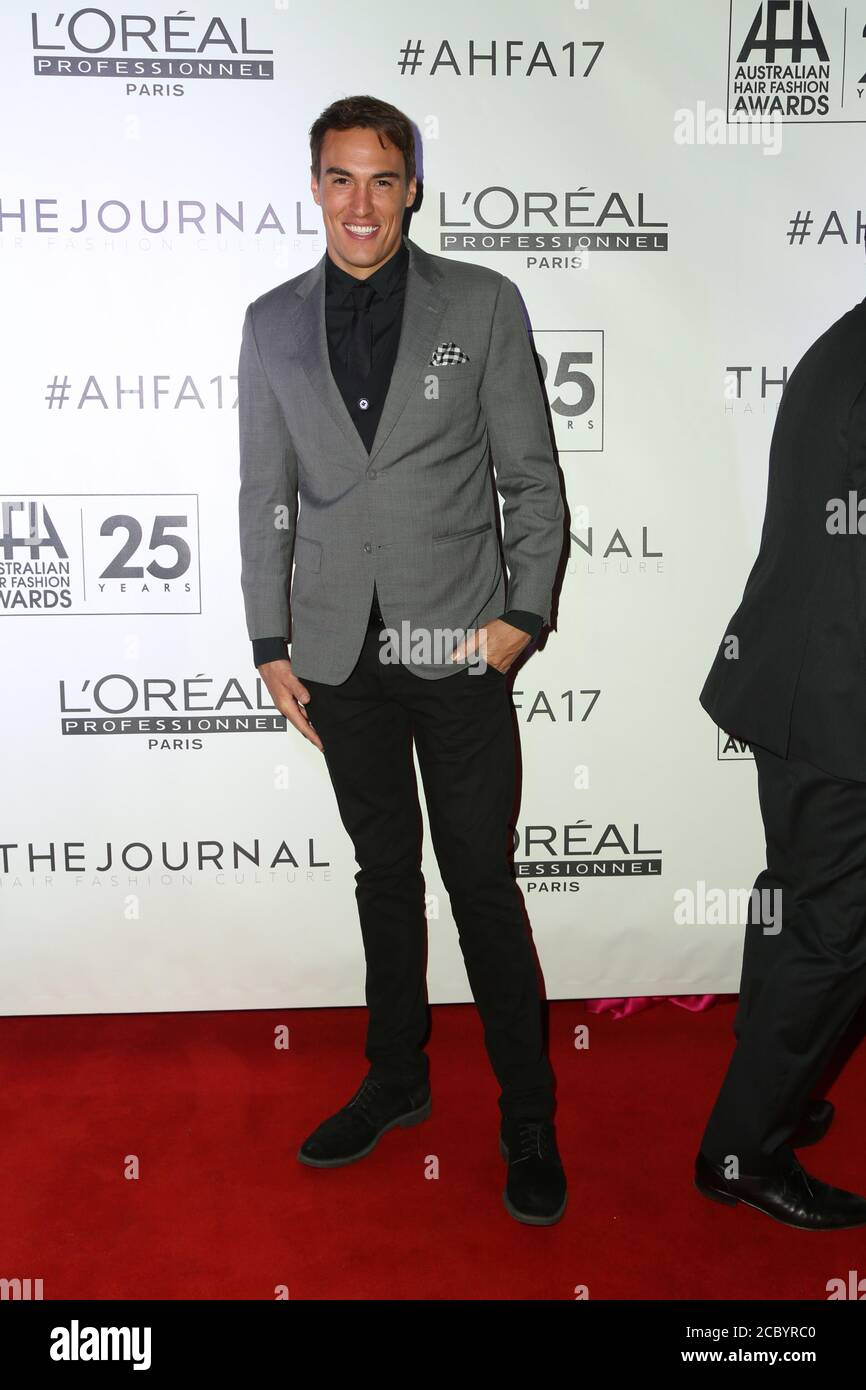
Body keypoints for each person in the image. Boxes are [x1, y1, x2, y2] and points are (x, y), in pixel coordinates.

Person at [237, 95, 566, 1225]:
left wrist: (521, 615)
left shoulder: (481, 304)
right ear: (314, 184)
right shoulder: (270, 323)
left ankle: (526, 1111)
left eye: (382, 179)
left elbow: (531, 476)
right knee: (384, 876)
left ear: (412, 187)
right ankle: (397, 1078)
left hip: (456, 644)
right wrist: (270, 640)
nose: (360, 202)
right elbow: (263, 496)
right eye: (339, 178)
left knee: (480, 882)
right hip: (337, 651)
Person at [696, 291, 866, 1229]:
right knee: (833, 935)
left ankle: (779, 1093)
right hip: (837, 698)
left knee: (797, 902)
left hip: (803, 682)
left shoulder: (848, 335)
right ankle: (743, 1151)